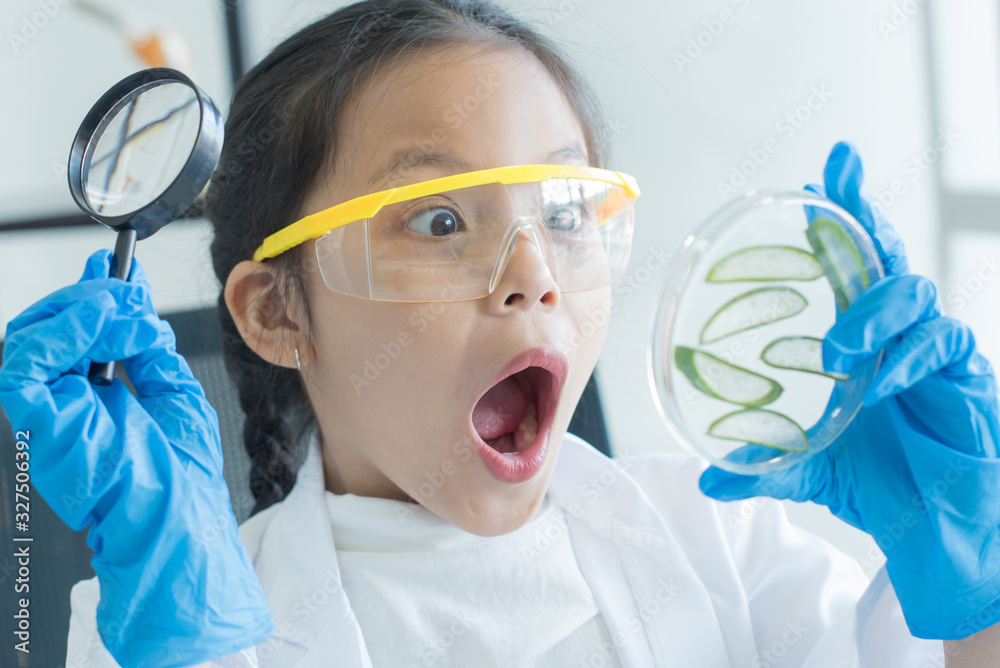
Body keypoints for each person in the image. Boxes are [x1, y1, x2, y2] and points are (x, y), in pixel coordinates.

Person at [1, 1, 998, 666]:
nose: (534, 276)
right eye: (439, 220)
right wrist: (189, 642)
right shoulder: (186, 616)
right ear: (276, 311)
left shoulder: (722, 546)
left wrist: (981, 594)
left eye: (565, 211)